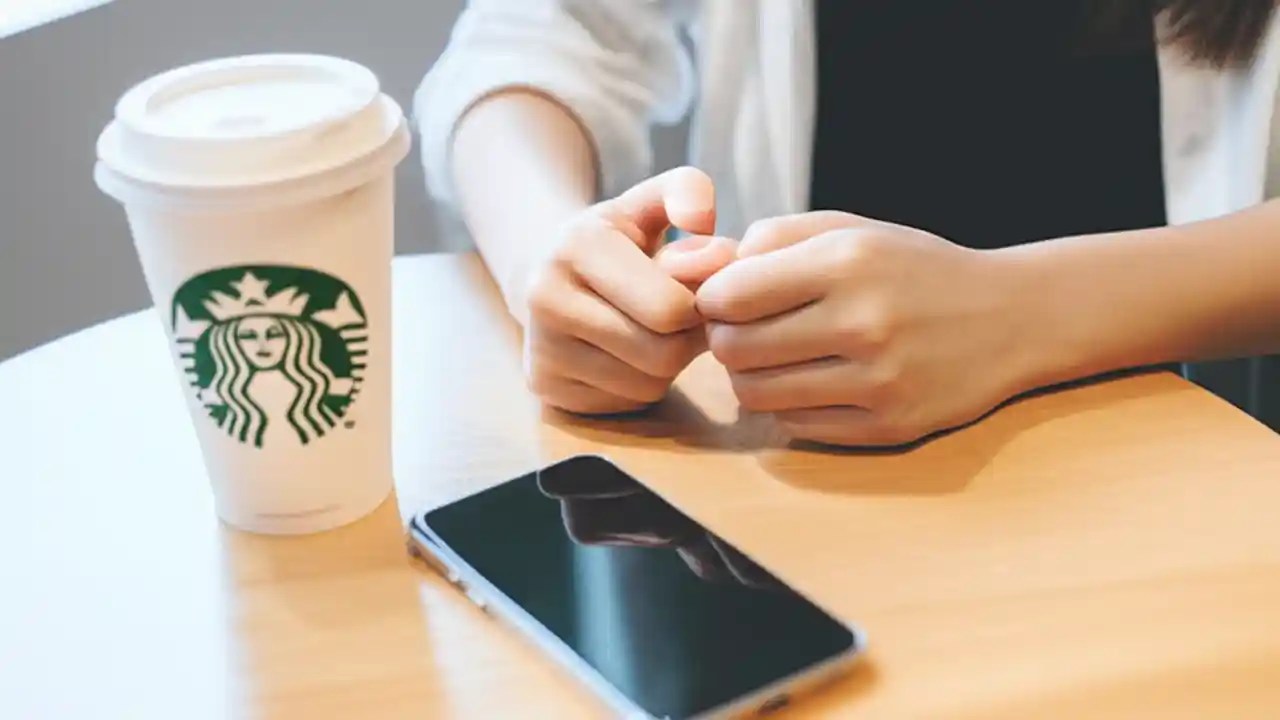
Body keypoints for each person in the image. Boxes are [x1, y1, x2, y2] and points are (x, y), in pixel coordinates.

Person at [416, 0, 1280, 446]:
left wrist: (1022, 316)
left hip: (1191, 454)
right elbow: (538, 36)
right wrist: (555, 260)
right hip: (810, 460)